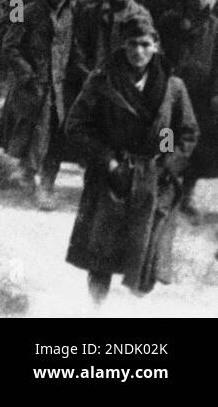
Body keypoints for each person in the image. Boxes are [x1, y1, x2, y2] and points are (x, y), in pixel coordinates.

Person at [64, 17, 198, 302]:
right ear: (123, 45)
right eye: (132, 44)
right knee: (101, 253)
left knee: (144, 255)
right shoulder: (101, 81)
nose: (139, 51)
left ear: (156, 47)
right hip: (112, 174)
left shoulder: (172, 87)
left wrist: (166, 161)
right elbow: (77, 125)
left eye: (145, 44)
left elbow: (182, 130)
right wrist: (108, 160)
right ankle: (95, 308)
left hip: (154, 178)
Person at [0, 0, 80, 210]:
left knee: (57, 136)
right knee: (35, 131)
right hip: (35, 84)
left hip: (60, 87)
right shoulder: (26, 9)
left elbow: (73, 49)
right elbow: (10, 45)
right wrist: (27, 73)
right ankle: (29, 175)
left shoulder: (72, 15)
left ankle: (46, 183)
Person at [157, 0, 218, 218]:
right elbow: (158, 51)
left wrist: (215, 92)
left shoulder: (215, 26)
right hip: (171, 90)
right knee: (167, 136)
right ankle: (163, 185)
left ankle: (188, 192)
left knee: (197, 142)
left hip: (200, 95)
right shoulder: (169, 21)